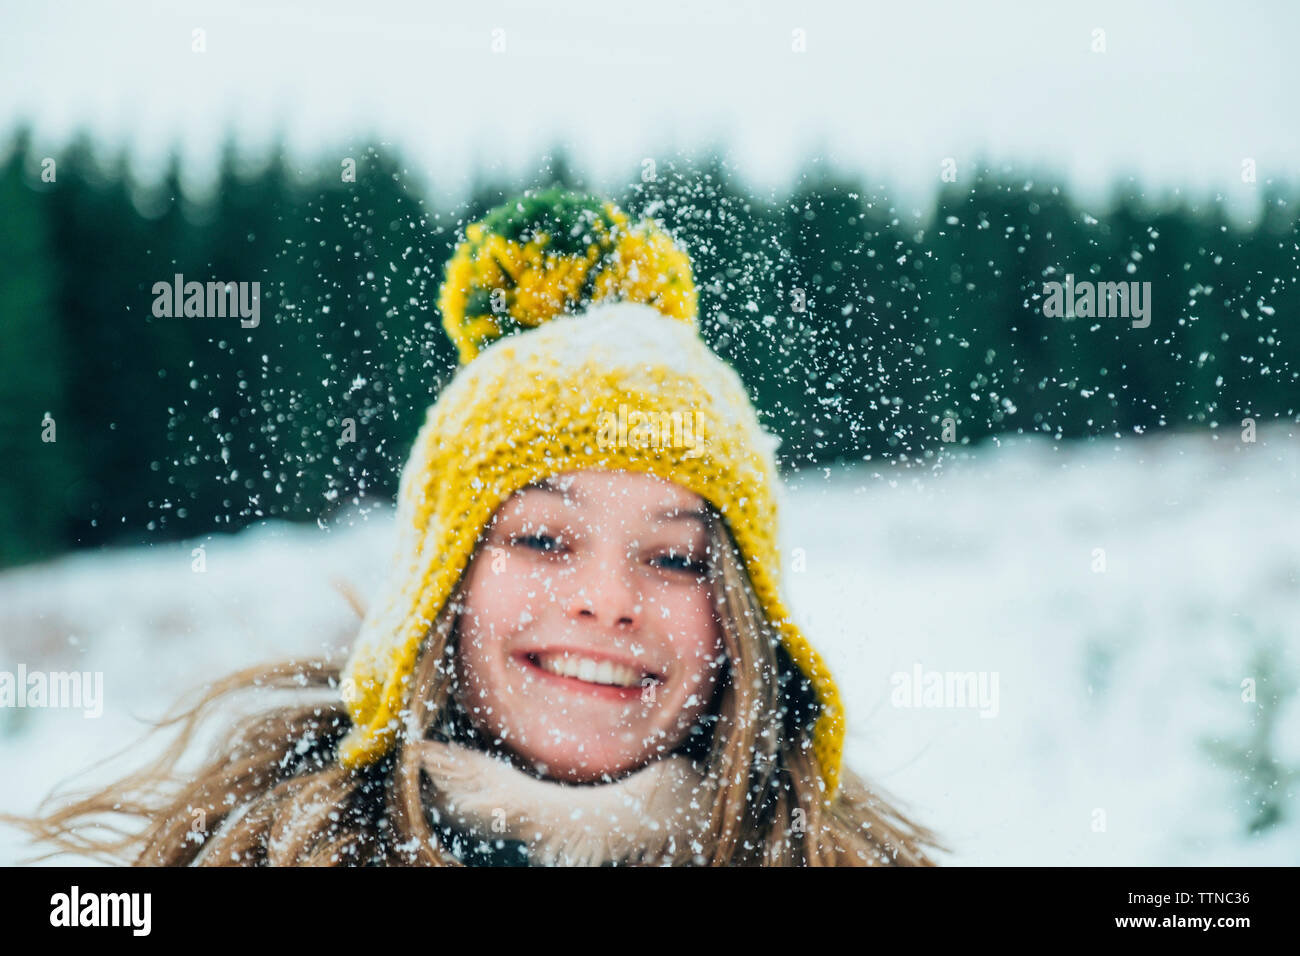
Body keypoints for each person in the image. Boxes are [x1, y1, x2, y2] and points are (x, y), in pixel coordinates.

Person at [6, 188, 942, 866]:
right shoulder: (253, 853)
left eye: (671, 557)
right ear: (439, 583)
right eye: (541, 538)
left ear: (744, 615)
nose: (608, 602)